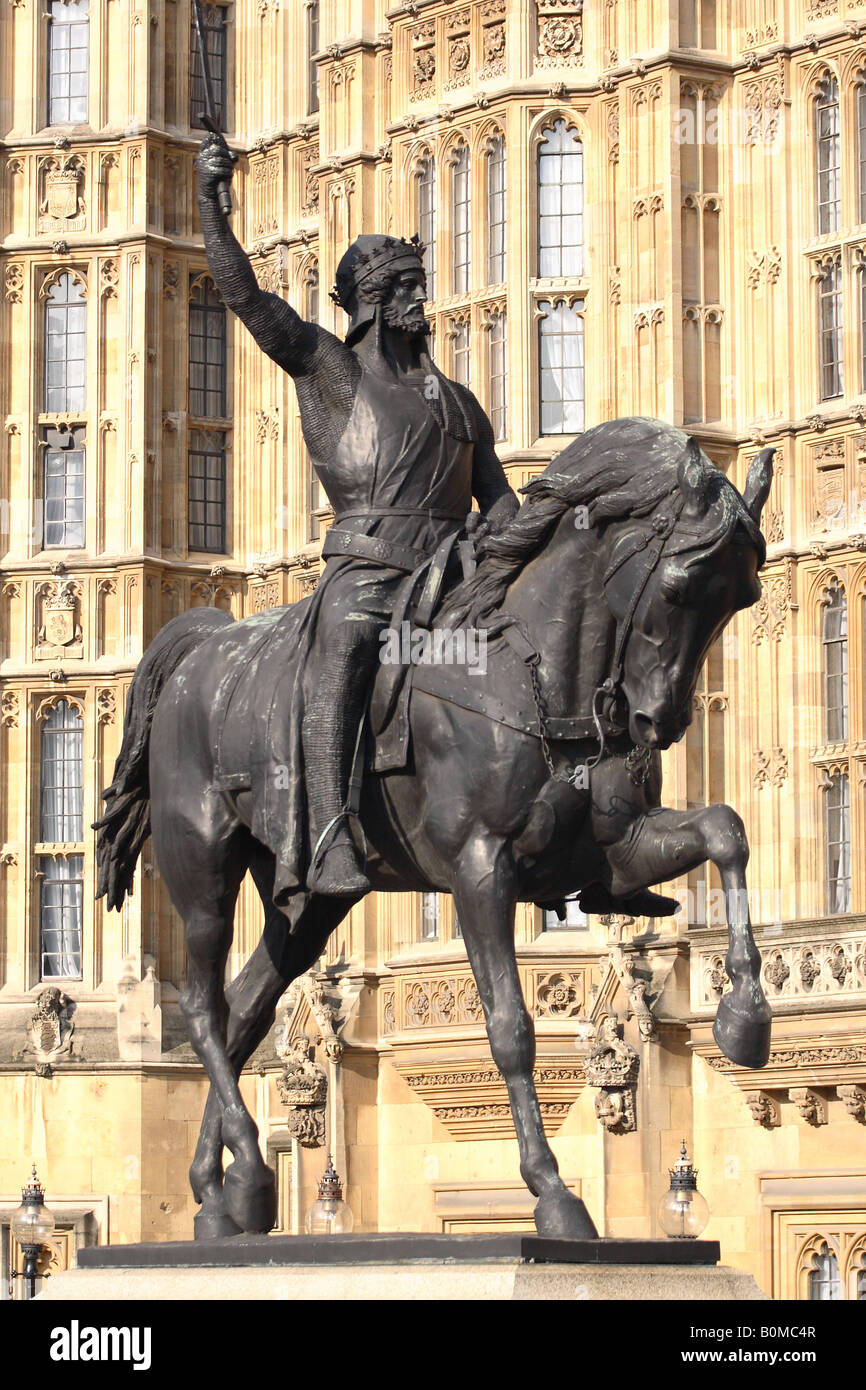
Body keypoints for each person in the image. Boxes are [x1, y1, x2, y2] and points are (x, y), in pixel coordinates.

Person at [196, 133, 519, 896]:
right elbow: (246, 297)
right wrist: (211, 202)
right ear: (370, 302)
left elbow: (500, 505)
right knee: (342, 648)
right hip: (370, 576)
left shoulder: (461, 404)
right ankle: (328, 832)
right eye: (405, 287)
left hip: (452, 582)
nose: (420, 299)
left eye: (420, 283)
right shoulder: (331, 371)